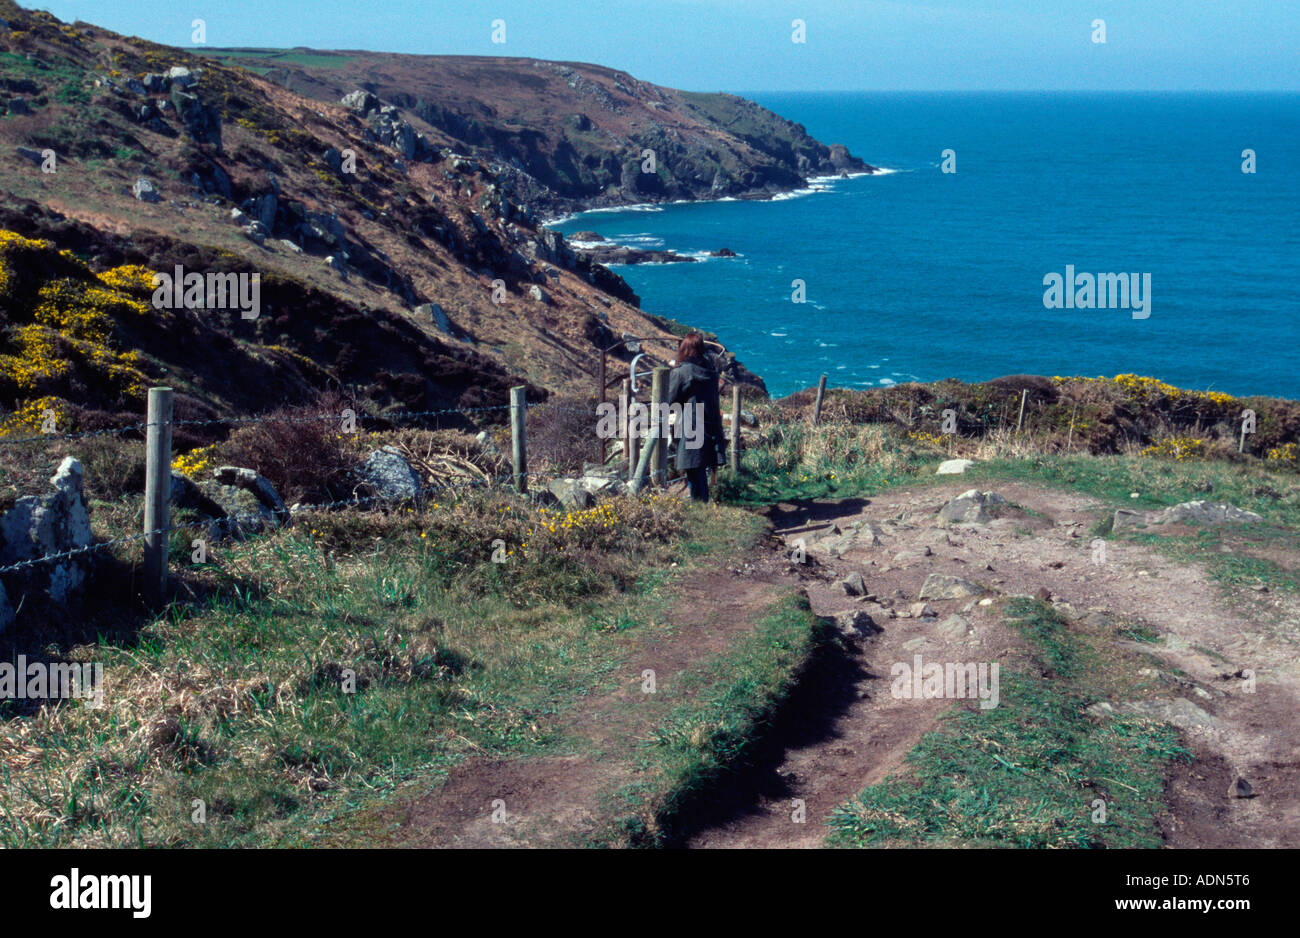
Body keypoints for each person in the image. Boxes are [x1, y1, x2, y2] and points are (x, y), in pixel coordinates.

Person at [665, 332, 726, 502]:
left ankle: (699, 505)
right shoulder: (711, 371)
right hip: (710, 422)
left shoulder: (681, 372)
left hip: (692, 422)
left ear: (684, 349)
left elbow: (669, 400)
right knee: (701, 466)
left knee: (693, 468)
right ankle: (702, 503)